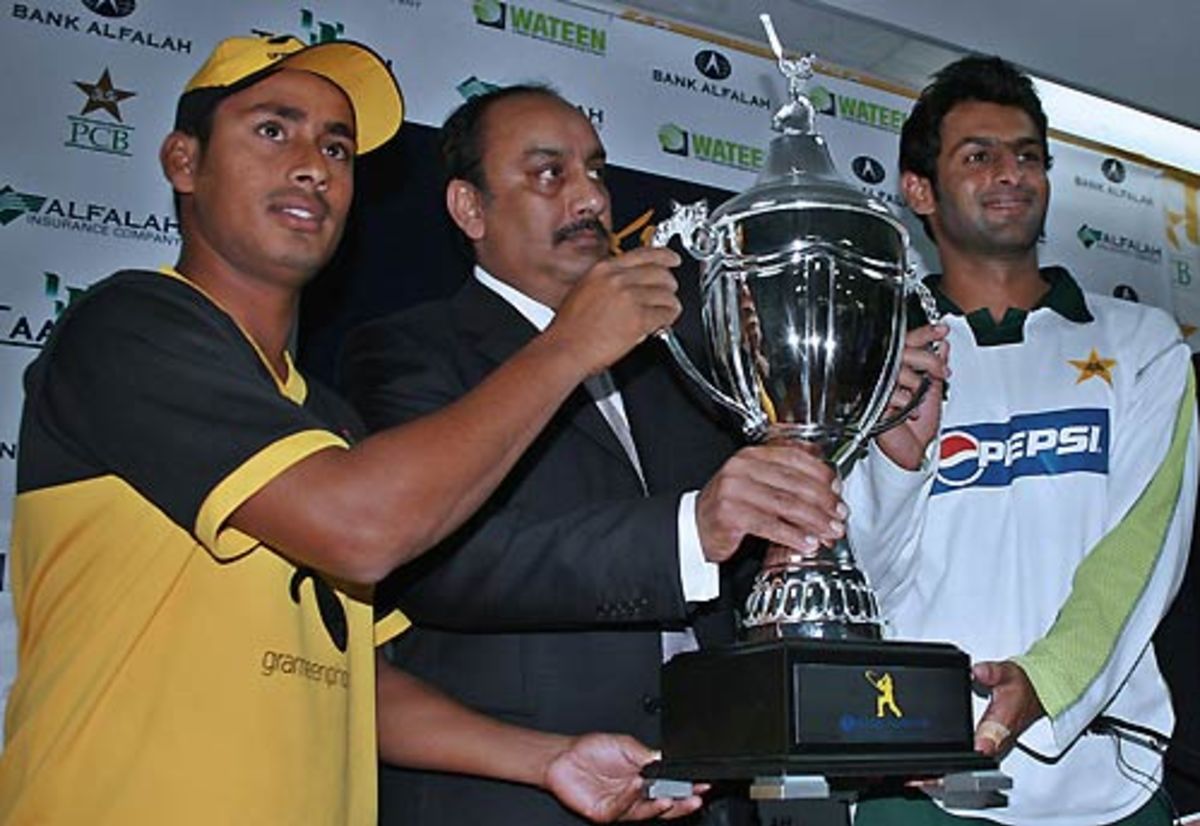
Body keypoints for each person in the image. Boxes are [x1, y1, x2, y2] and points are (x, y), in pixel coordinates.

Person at [0, 35, 709, 825]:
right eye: (274, 130)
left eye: (336, 147)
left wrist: (545, 759)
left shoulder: (327, 419)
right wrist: (571, 345)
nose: (314, 165)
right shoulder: (128, 325)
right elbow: (361, 530)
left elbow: (360, 680)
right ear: (184, 162)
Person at [339, 84, 849, 825]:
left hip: (706, 793)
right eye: (550, 173)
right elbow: (441, 563)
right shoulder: (407, 350)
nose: (591, 199)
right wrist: (689, 530)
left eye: (597, 172)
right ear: (469, 208)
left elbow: (730, 563)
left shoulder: (680, 356)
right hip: (516, 802)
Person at [847, 55, 1198, 825]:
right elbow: (856, 577)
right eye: (978, 156)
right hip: (916, 775)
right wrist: (894, 464)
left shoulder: (1143, 343)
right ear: (919, 191)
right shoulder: (870, 360)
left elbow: (1141, 554)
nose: (1011, 173)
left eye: (1028, 155)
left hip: (1108, 778)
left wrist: (1046, 680)